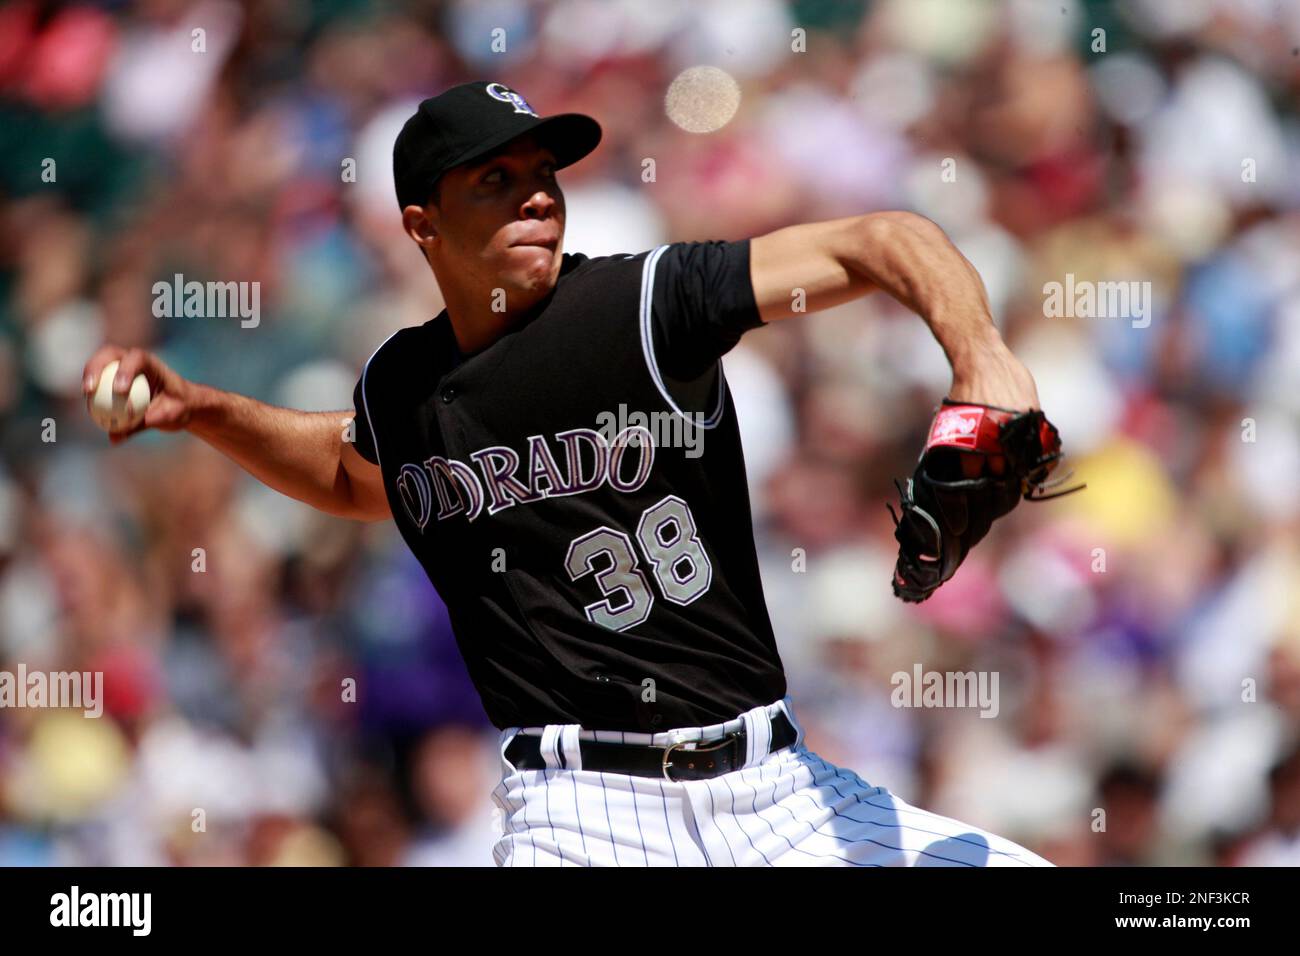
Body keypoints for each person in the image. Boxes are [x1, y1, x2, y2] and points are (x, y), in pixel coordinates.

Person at [84, 80, 1052, 866]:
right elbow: (352, 474)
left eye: (545, 172)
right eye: (495, 179)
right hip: (580, 815)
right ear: (422, 225)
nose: (537, 193)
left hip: (780, 790)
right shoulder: (404, 384)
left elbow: (881, 240)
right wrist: (205, 408)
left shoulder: (640, 304)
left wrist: (980, 359)